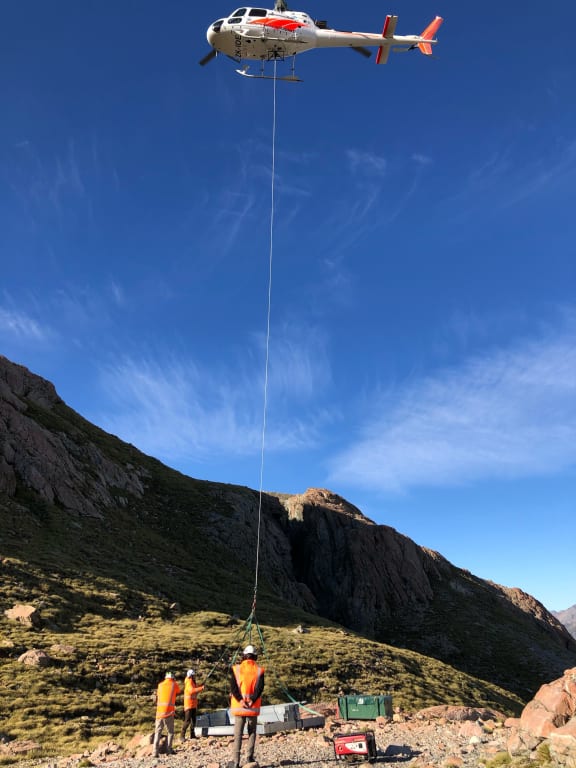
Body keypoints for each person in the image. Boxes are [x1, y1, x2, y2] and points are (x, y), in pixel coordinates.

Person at [229, 645, 265, 768]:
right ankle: (249, 758)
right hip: (252, 707)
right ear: (255, 656)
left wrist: (240, 700)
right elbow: (260, 688)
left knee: (238, 734)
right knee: (252, 732)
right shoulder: (259, 670)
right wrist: (252, 700)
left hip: (239, 707)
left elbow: (233, 688)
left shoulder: (236, 669)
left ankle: (235, 761)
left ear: (244, 655)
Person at [152, 672, 181, 757]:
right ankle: (169, 750)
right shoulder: (174, 684)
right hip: (169, 713)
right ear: (172, 678)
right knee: (170, 732)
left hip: (159, 713)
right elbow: (178, 691)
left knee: (157, 733)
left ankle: (155, 752)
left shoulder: (160, 685)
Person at [181, 668, 205, 740]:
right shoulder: (189, 682)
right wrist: (201, 688)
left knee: (193, 721)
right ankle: (182, 736)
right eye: (193, 675)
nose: (195, 676)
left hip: (193, 705)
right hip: (188, 705)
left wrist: (200, 687)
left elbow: (195, 690)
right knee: (187, 721)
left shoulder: (192, 682)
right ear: (191, 676)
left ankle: (192, 735)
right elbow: (192, 691)